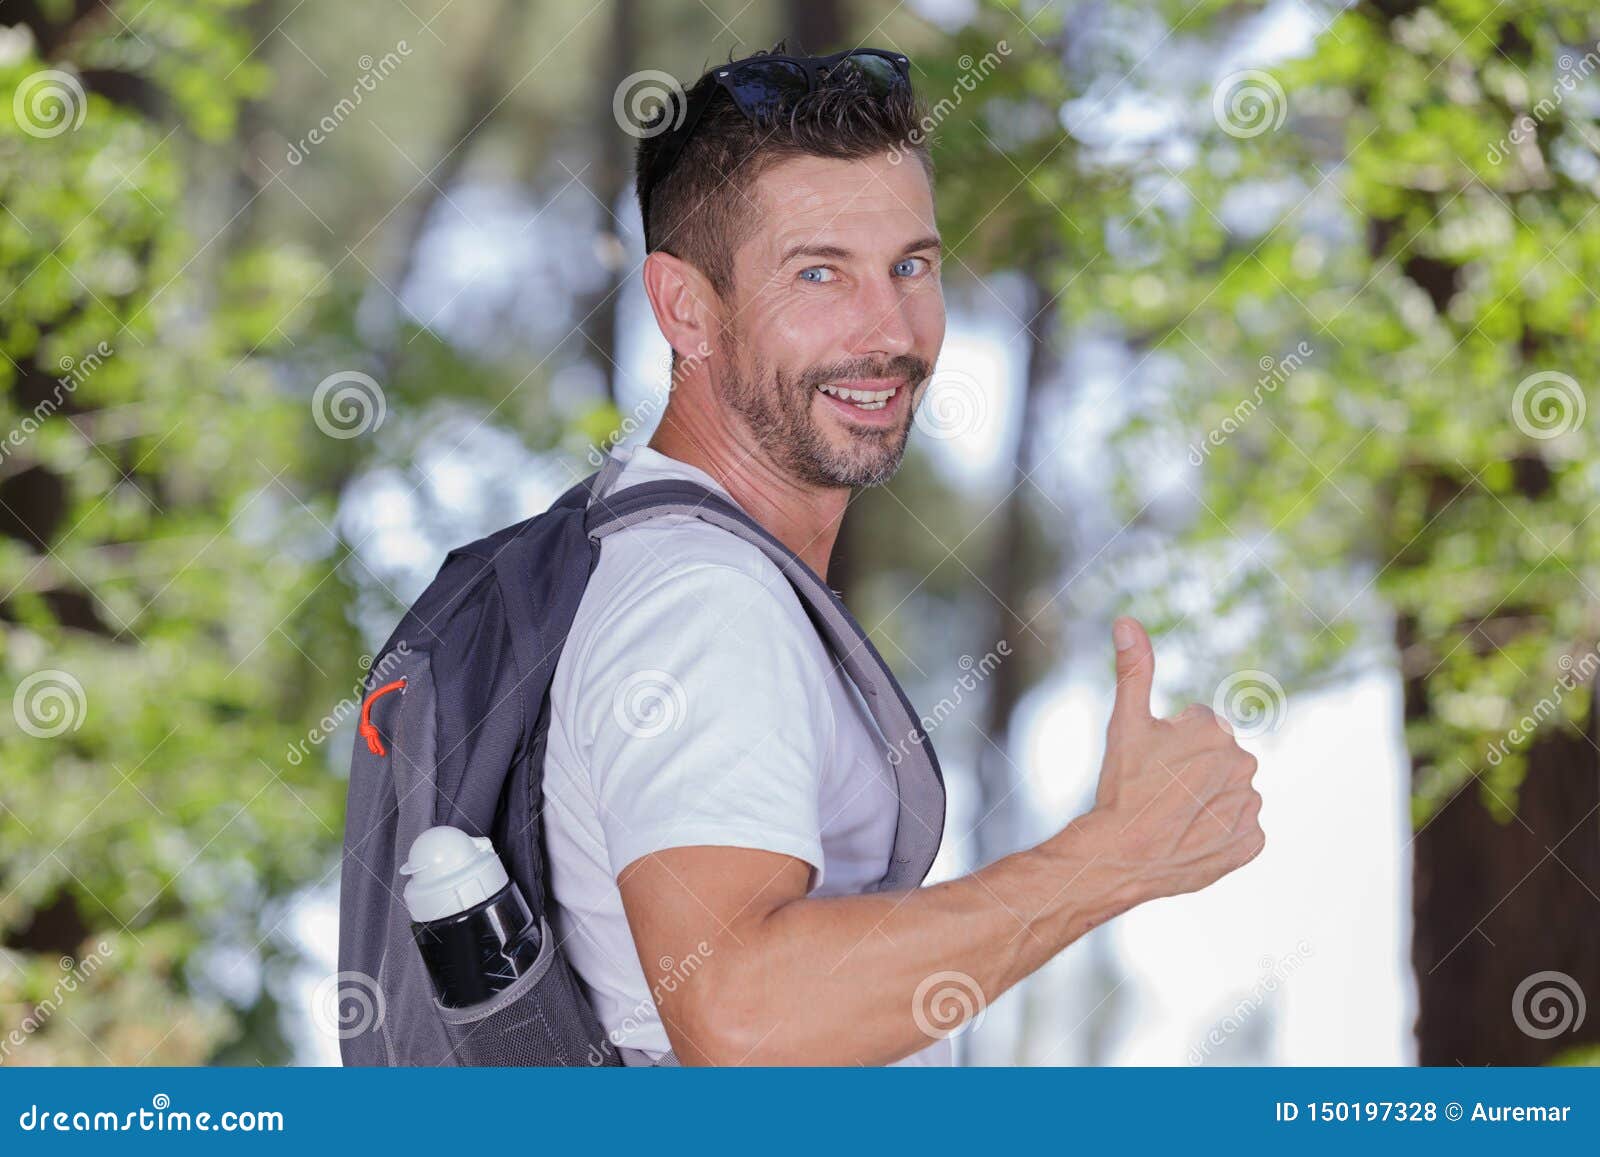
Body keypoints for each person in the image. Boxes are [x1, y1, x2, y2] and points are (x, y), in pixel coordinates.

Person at [540, 44, 1264, 1066]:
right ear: (685, 309)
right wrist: (1114, 854)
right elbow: (741, 1014)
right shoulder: (701, 597)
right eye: (819, 271)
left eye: (910, 266)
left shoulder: (663, 562)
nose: (890, 330)